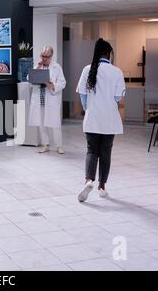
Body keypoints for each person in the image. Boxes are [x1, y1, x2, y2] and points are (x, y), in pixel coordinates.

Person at [76, 38, 126, 202]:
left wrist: (88, 109)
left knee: (91, 150)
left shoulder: (87, 69)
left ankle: (89, 180)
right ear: (109, 54)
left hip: (92, 117)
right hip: (110, 119)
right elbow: (118, 97)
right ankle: (102, 186)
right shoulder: (116, 71)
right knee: (106, 152)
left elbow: (83, 96)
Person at [28, 46, 67, 154]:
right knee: (41, 123)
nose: (44, 58)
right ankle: (46, 144)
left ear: (51, 56)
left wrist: (52, 85)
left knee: (55, 123)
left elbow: (63, 82)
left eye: (46, 56)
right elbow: (29, 78)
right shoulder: (38, 66)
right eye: (42, 56)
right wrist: (37, 68)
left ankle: (59, 146)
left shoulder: (56, 67)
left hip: (51, 98)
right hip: (39, 99)